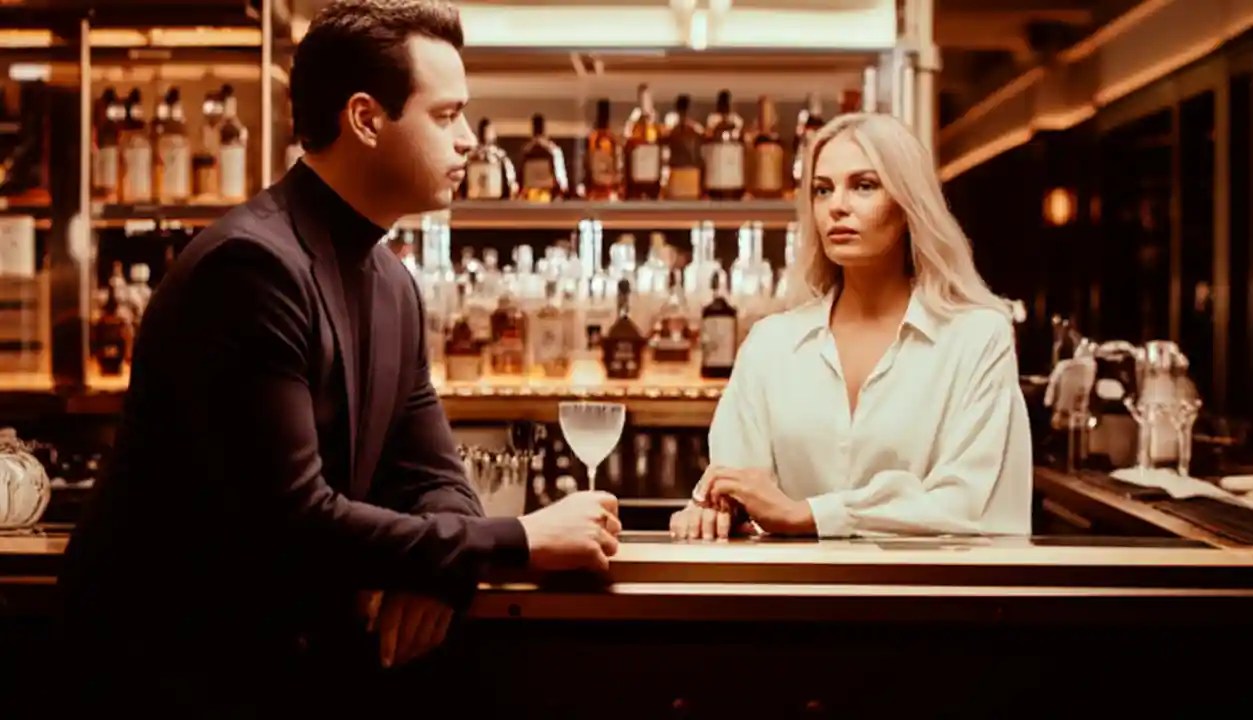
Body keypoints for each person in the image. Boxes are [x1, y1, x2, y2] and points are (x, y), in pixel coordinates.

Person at [57, 1, 620, 714]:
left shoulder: (393, 284)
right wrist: (519, 538)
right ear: (364, 118)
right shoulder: (251, 268)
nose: (470, 141)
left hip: (276, 667)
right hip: (163, 671)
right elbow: (294, 520)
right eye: (447, 117)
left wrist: (440, 572)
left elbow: (437, 479)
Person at [670, 112, 1032, 540]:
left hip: (929, 600)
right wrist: (709, 509)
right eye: (822, 190)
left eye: (864, 186)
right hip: (789, 600)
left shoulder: (976, 337)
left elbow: (964, 504)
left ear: (907, 204)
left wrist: (807, 515)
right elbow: (736, 482)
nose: (837, 206)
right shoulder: (771, 344)